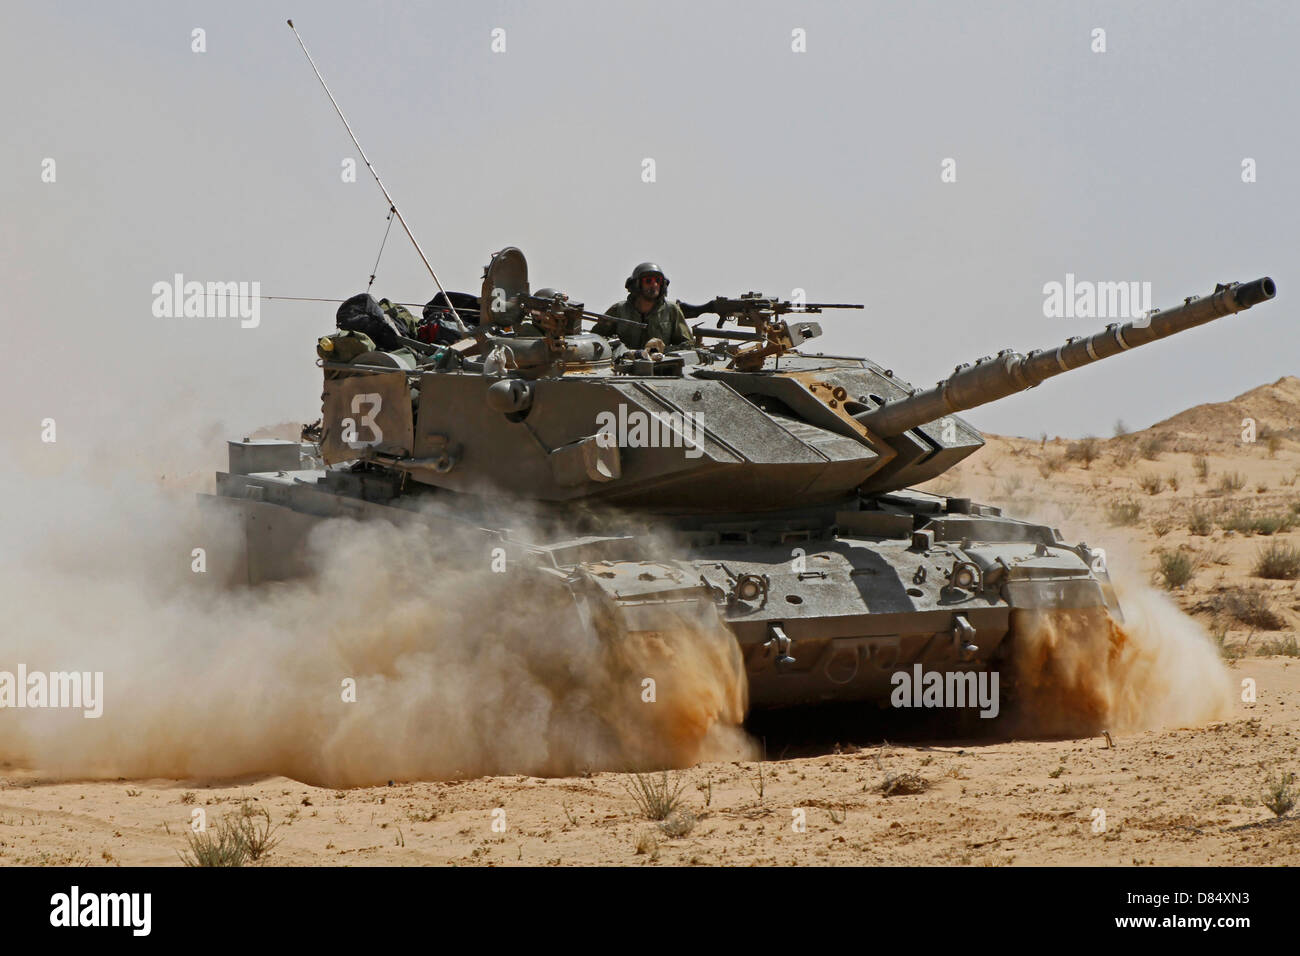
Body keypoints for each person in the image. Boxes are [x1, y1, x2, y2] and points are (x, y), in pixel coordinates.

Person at [592, 262, 695, 351]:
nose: (654, 284)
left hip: (660, 368)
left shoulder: (671, 310)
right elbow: (595, 340)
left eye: (658, 281)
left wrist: (663, 350)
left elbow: (688, 346)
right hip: (622, 367)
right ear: (637, 284)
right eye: (648, 280)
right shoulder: (619, 310)